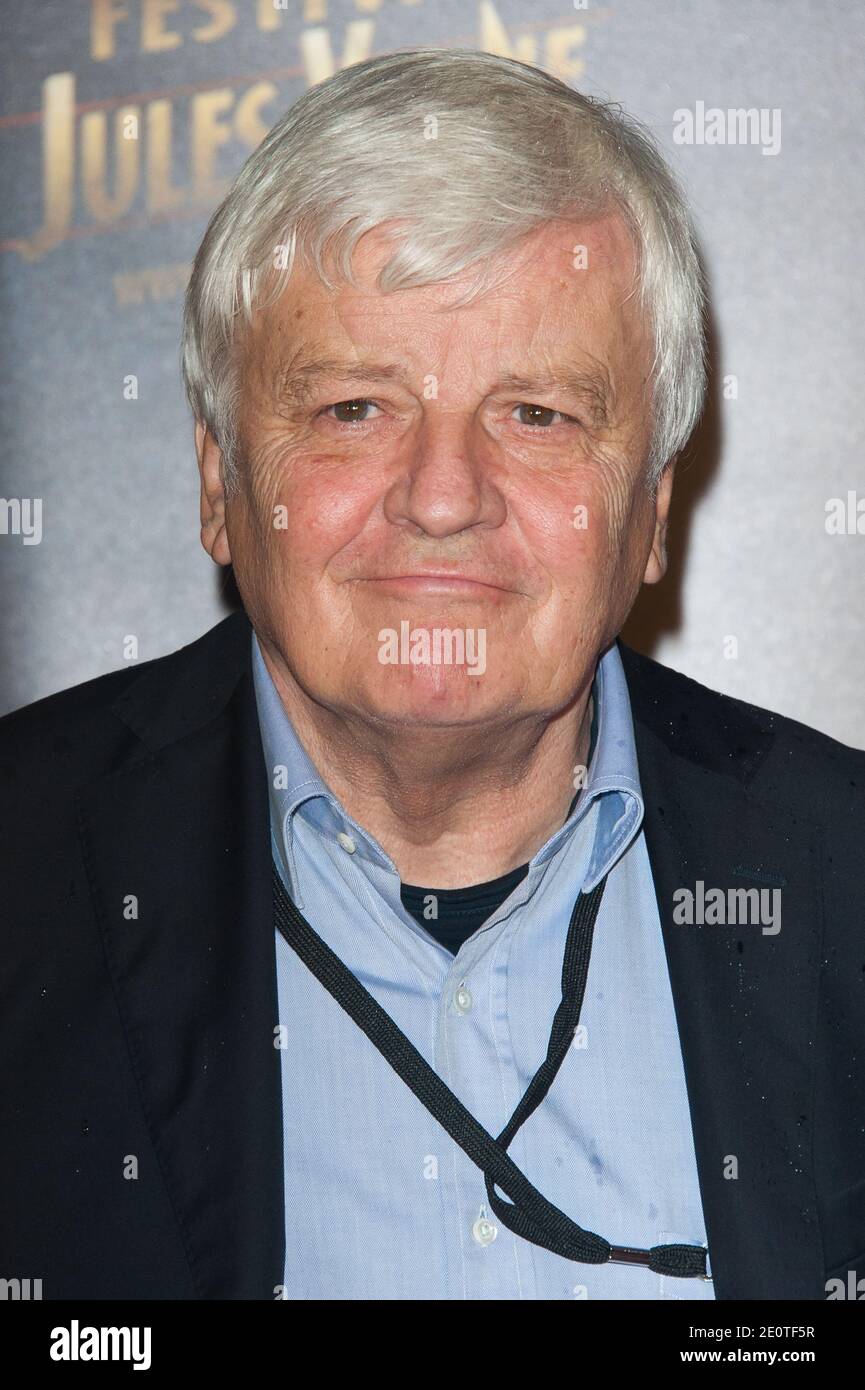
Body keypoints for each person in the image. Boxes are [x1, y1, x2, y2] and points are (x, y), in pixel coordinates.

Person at [1, 48, 862, 1302]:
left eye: (539, 415)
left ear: (652, 512)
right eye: (355, 407)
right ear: (217, 485)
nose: (443, 497)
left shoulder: (839, 875)